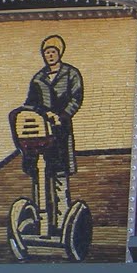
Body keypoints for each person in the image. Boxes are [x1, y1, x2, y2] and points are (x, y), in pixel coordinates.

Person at [21, 35, 84, 221]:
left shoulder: (71, 74)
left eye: (53, 52)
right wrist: (42, 113)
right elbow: (29, 103)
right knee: (40, 174)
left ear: (59, 53)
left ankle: (63, 219)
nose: (49, 55)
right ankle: (42, 219)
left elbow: (76, 98)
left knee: (59, 173)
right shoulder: (38, 78)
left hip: (60, 131)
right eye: (46, 52)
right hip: (41, 133)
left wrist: (62, 116)